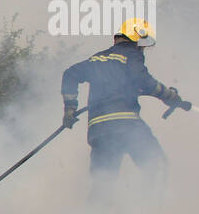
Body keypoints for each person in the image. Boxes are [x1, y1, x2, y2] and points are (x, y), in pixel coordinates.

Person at [60, 18, 187, 202]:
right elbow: (144, 81)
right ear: (135, 40)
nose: (142, 49)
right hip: (127, 126)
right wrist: (170, 97)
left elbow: (70, 74)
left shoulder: (97, 59)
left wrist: (70, 109)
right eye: (141, 44)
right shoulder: (131, 55)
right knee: (155, 164)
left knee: (103, 184)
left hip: (99, 131)